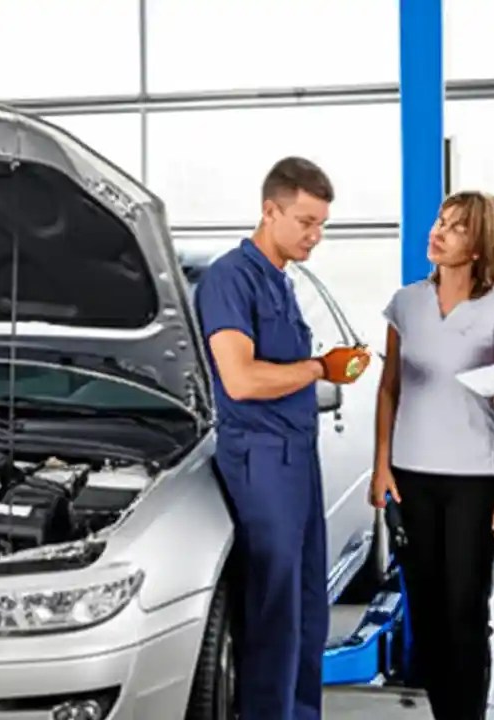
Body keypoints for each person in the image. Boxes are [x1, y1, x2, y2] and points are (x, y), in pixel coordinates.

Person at [194, 156, 371, 720]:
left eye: (321, 224)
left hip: (297, 459)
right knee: (272, 610)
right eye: (305, 221)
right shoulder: (229, 279)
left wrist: (333, 368)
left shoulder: (282, 282)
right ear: (269, 211)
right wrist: (321, 369)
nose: (315, 236)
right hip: (260, 461)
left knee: (304, 609)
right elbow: (241, 380)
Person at [369, 190, 494, 719]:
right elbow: (389, 387)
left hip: (474, 481)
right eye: (440, 221)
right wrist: (382, 465)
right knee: (429, 614)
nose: (437, 232)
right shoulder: (406, 302)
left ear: (479, 245)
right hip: (411, 477)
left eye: (455, 227)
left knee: (465, 610)